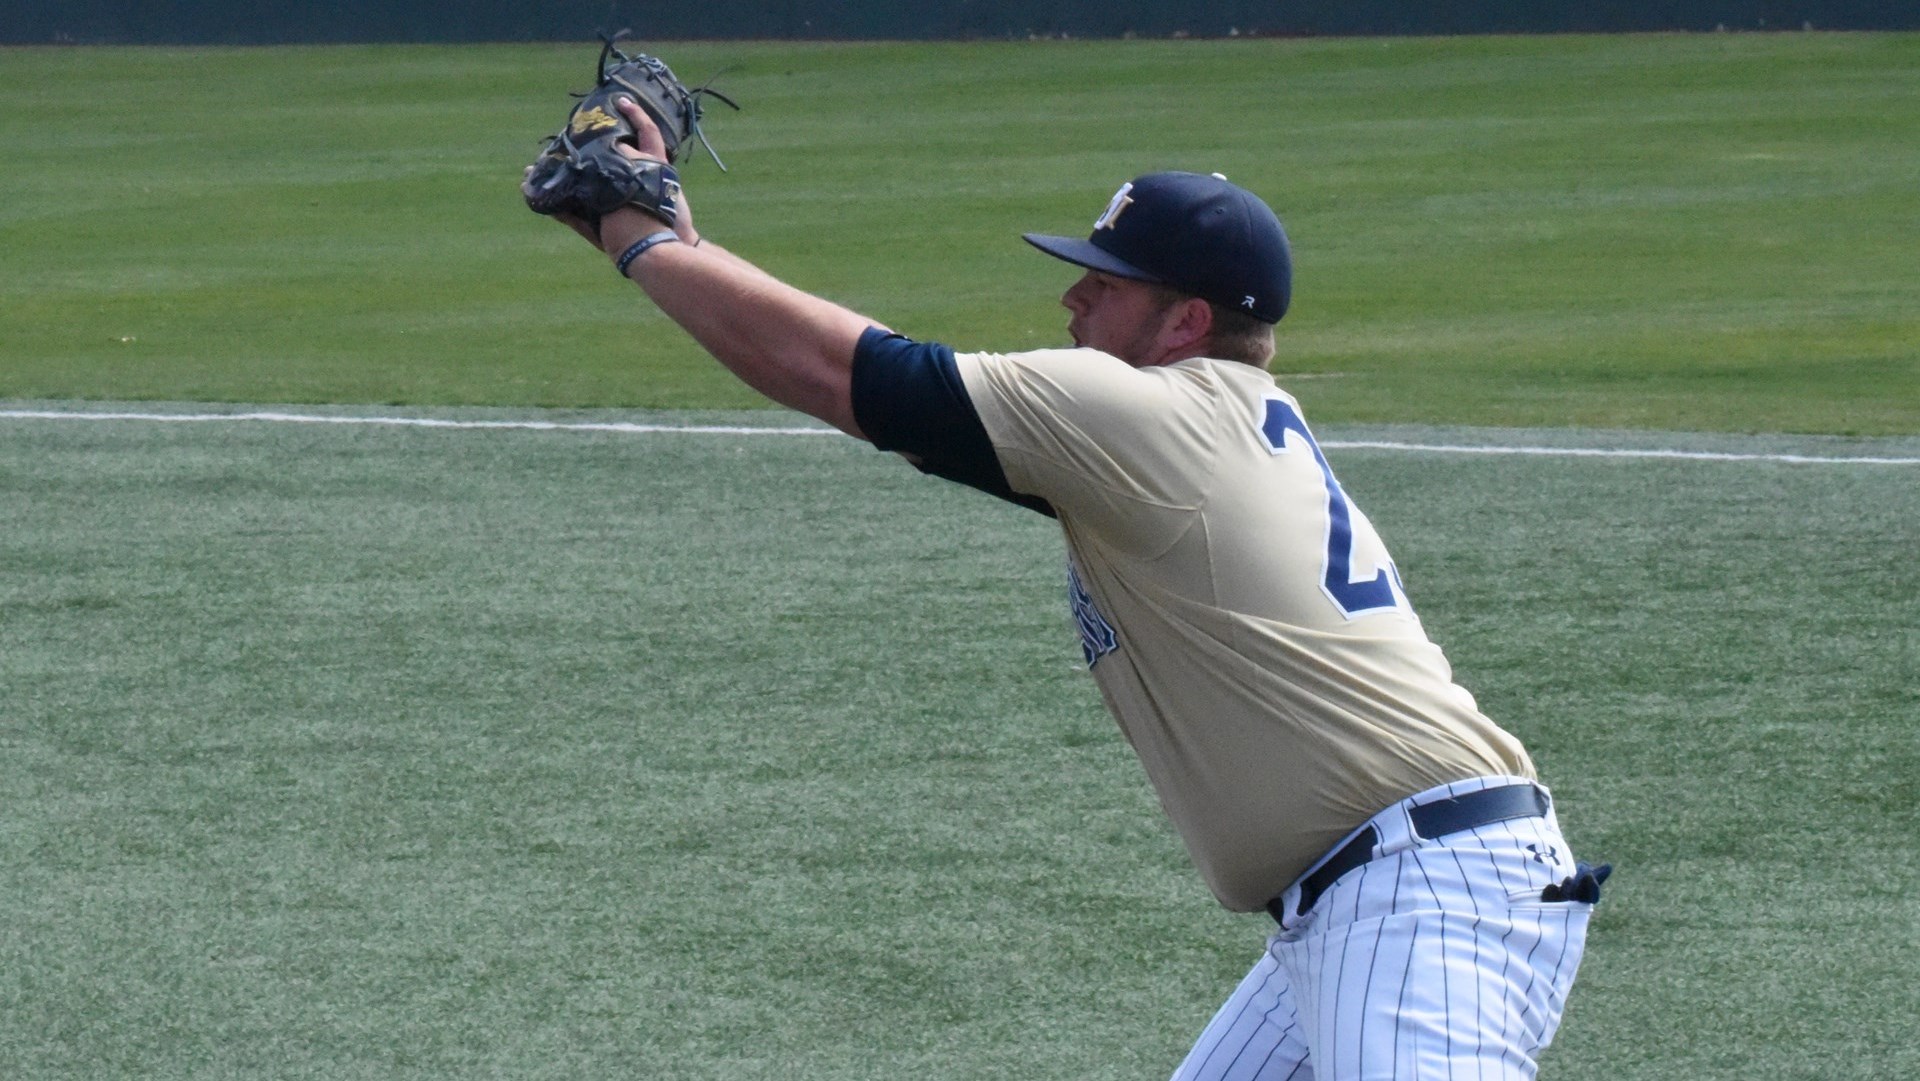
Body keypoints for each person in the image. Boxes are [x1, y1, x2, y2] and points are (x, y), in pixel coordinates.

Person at [531, 96, 1606, 1080]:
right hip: (1366, 902)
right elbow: (826, 369)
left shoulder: (1142, 415)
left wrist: (640, 237)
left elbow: (845, 374)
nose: (1073, 295)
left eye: (1108, 279)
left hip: (1426, 901)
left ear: (1184, 322)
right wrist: (671, 232)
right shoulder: (1189, 430)